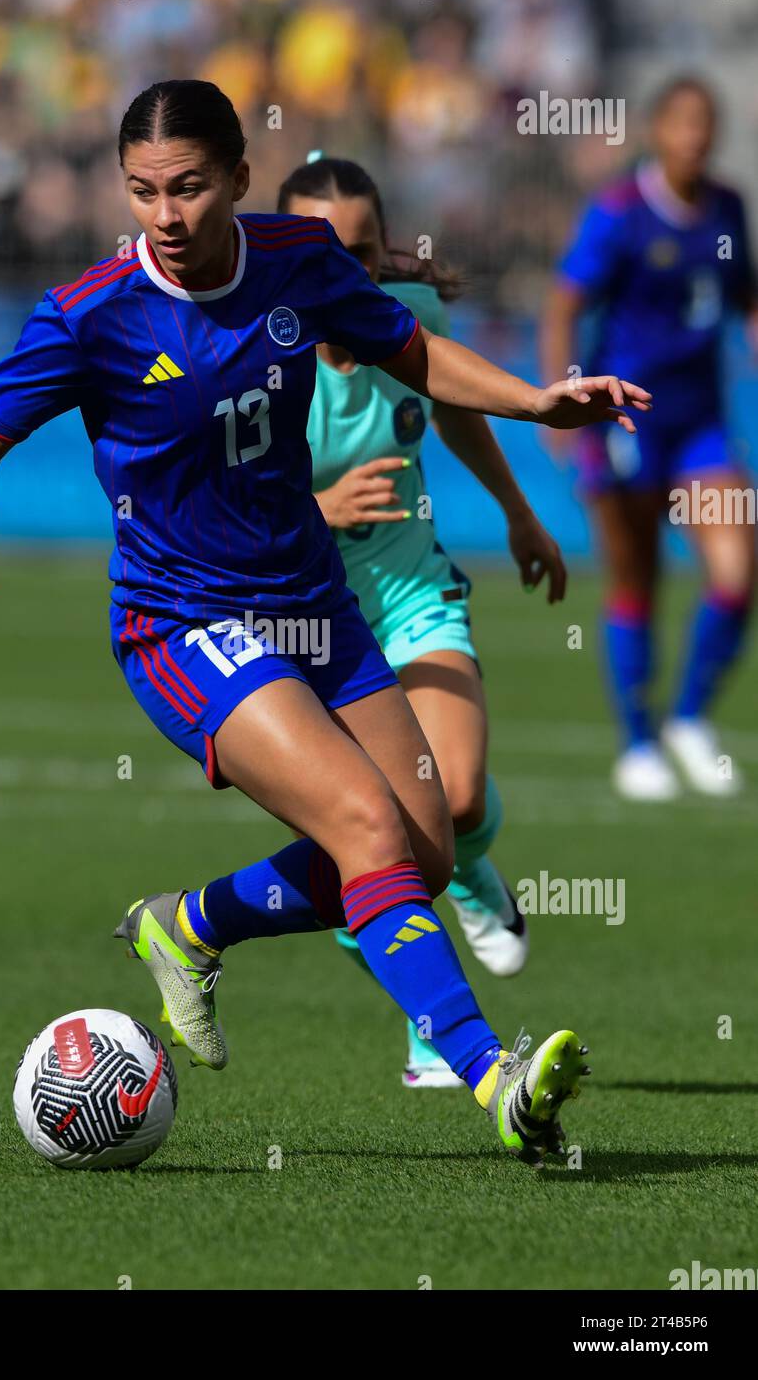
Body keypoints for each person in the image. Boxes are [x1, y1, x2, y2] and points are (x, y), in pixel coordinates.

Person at [0, 80, 648, 1165]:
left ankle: (193, 921)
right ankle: (492, 1078)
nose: (164, 214)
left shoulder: (298, 266)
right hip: (183, 622)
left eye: (188, 186)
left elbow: (417, 356)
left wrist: (537, 400)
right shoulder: (92, 313)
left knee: (423, 846)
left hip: (314, 605)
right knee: (364, 826)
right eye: (142, 191)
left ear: (236, 179)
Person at [278, 152, 564, 1089]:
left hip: (409, 598)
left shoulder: (412, 320)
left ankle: (474, 876)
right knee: (387, 840)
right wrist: (315, 509)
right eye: (324, 251)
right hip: (307, 627)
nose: (346, 273)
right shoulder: (250, 349)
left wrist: (520, 513)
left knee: (462, 803)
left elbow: (454, 408)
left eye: (363, 251)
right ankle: (431, 1029)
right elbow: (198, 499)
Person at [541, 77, 757, 801]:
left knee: (735, 572)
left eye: (707, 123)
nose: (695, 136)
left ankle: (688, 719)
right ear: (658, 130)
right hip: (627, 420)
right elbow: (565, 304)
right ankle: (638, 744)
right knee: (637, 581)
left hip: (701, 427)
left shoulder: (727, 208)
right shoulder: (620, 213)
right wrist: (560, 396)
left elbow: (743, 294)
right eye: (683, 122)